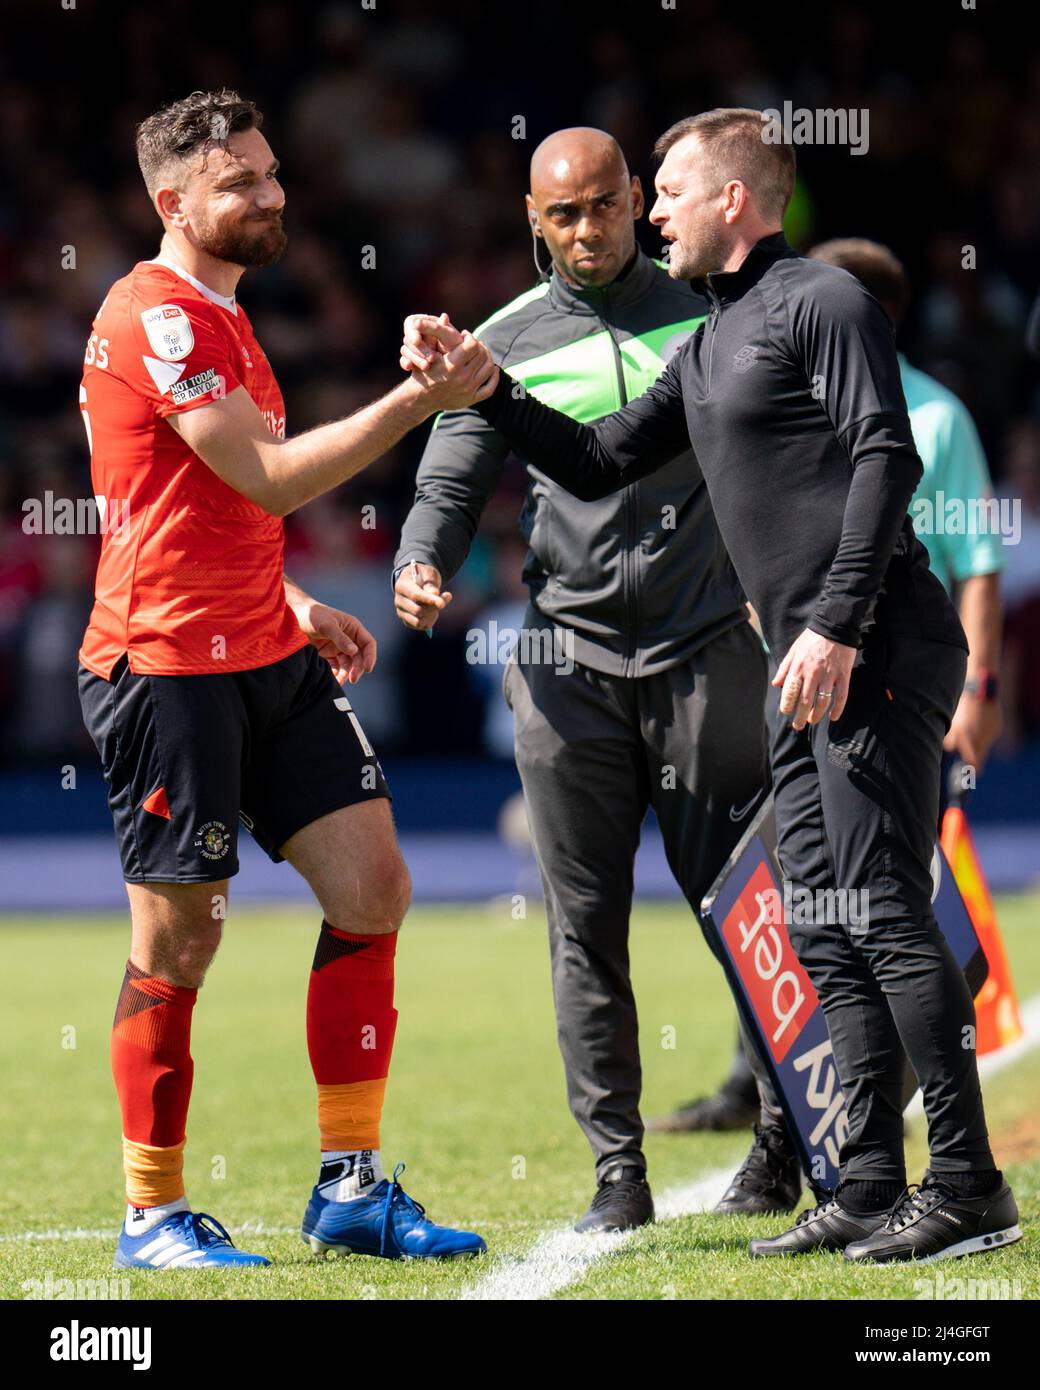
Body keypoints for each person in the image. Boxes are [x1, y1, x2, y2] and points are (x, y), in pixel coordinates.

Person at [400, 108, 1021, 1265]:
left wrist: (836, 622)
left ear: (734, 198)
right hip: (796, 669)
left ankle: (968, 1185)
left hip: (869, 648)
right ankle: (865, 1184)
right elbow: (589, 460)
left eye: (667, 188)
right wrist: (485, 386)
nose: (653, 209)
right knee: (816, 927)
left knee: (880, 910)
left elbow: (883, 452)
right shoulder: (711, 341)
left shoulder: (822, 304)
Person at [77, 87, 495, 1270]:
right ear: (173, 201)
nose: (268, 195)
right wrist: (424, 396)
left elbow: (195, 507)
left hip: (265, 649)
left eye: (268, 174)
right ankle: (151, 1214)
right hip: (163, 669)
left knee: (372, 889)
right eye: (237, 183)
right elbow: (263, 477)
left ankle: (350, 1187)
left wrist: (298, 602)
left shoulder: (225, 312)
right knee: (179, 946)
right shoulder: (159, 318)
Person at [393, 127, 799, 1232]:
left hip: (710, 651)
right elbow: (452, 469)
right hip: (566, 666)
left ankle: (777, 1138)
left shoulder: (711, 312)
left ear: (635, 201)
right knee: (584, 927)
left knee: (748, 910)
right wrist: (419, 556)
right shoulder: (503, 340)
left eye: (605, 206)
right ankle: (616, 1176)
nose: (585, 231)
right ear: (533, 220)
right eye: (561, 215)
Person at [665, 235, 1007, 1136]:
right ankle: (820, 1136)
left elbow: (974, 561)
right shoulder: (781, 392)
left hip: (887, 650)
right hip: (804, 661)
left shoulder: (934, 419)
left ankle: (954, 1164)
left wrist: (981, 688)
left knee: (887, 901)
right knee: (810, 899)